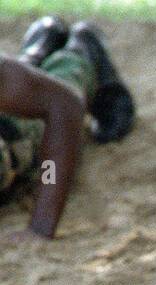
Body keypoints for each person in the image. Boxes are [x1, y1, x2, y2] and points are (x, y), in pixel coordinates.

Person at [0, 15, 134, 241]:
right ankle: (37, 51)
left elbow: (63, 106)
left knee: (57, 88)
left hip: (15, 131)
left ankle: (82, 52)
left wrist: (41, 225)